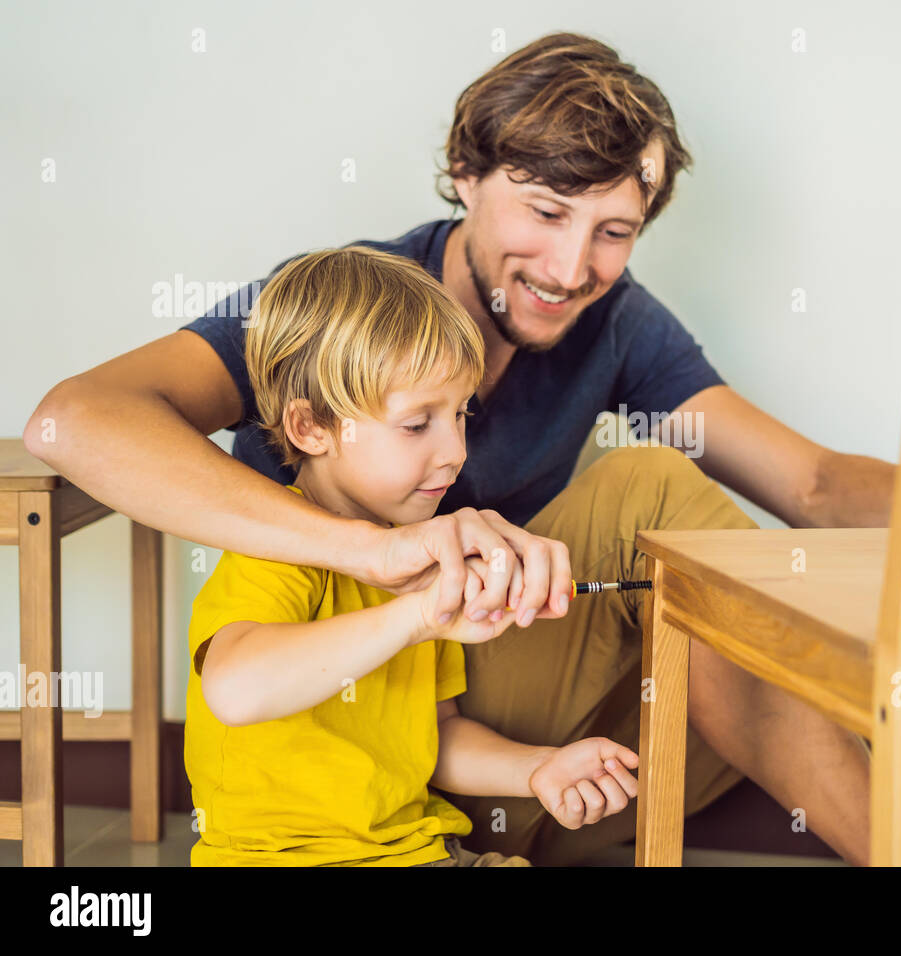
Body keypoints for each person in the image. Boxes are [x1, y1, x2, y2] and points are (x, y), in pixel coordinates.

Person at [25, 32, 901, 866]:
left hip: (501, 740)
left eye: (613, 230)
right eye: (541, 207)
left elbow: (817, 483)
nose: (572, 265)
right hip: (360, 717)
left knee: (759, 598)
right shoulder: (345, 314)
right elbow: (73, 421)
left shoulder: (613, 324)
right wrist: (377, 556)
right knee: (645, 487)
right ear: (466, 177)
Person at [186, 245, 638, 866]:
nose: (455, 450)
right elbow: (236, 691)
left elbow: (439, 737)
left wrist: (540, 769)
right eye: (416, 424)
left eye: (459, 414)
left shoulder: (426, 561)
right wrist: (417, 617)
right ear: (312, 426)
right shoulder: (278, 554)